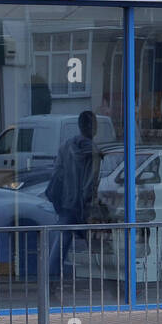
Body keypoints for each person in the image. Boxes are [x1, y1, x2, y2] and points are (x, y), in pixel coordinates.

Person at [44, 110, 101, 281]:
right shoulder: (93, 152)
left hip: (67, 204)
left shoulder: (66, 147)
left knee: (62, 239)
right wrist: (90, 203)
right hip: (83, 205)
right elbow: (90, 183)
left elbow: (57, 174)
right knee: (96, 242)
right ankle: (103, 278)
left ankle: (51, 277)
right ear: (92, 127)